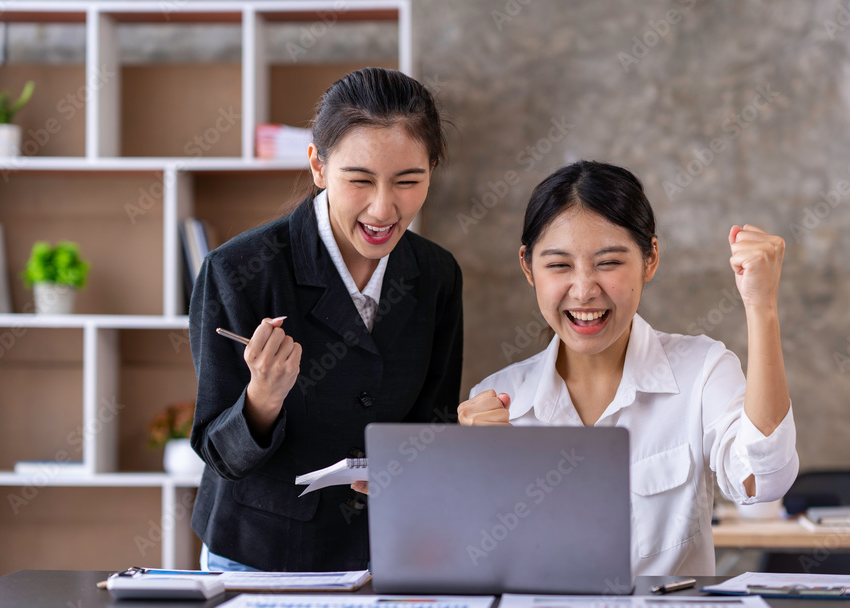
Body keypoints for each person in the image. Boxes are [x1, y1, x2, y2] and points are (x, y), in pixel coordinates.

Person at [458, 161, 798, 576]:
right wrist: (470, 473)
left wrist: (761, 306)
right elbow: (471, 560)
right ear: (528, 268)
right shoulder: (495, 401)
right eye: (559, 265)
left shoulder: (702, 371)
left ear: (650, 259)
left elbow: (763, 481)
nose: (584, 290)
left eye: (609, 263)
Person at [188, 67, 462, 572]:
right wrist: (262, 398)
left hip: (387, 549)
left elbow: (433, 422)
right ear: (317, 165)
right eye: (359, 180)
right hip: (259, 551)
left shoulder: (437, 273)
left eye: (408, 181)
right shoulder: (237, 272)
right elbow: (218, 454)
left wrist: (408, 466)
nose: (384, 208)